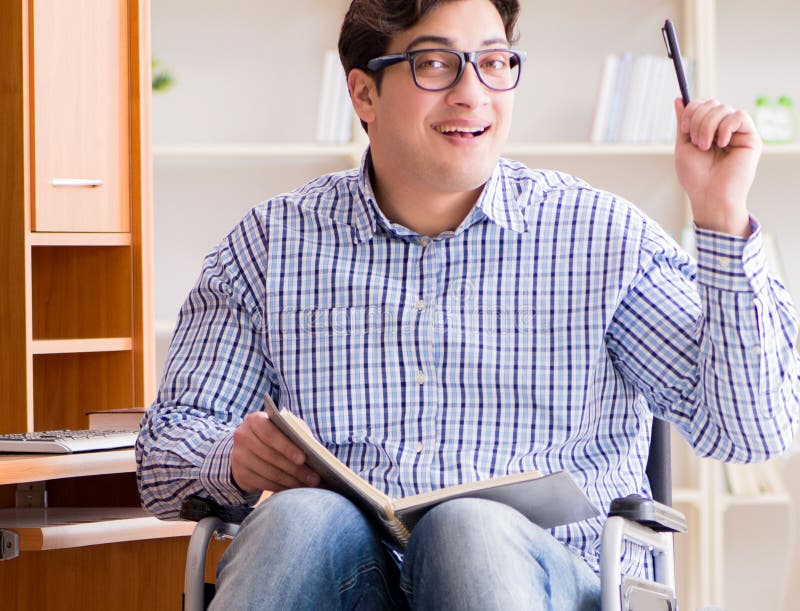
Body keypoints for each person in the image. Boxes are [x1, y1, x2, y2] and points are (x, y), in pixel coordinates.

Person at [136, 0, 800, 608]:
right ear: (363, 92)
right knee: (297, 517)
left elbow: (752, 432)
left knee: (468, 527)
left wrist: (720, 215)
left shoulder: (601, 239)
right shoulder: (269, 246)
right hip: (349, 581)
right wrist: (231, 459)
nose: (472, 93)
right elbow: (162, 456)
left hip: (548, 580)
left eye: (493, 62)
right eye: (434, 64)